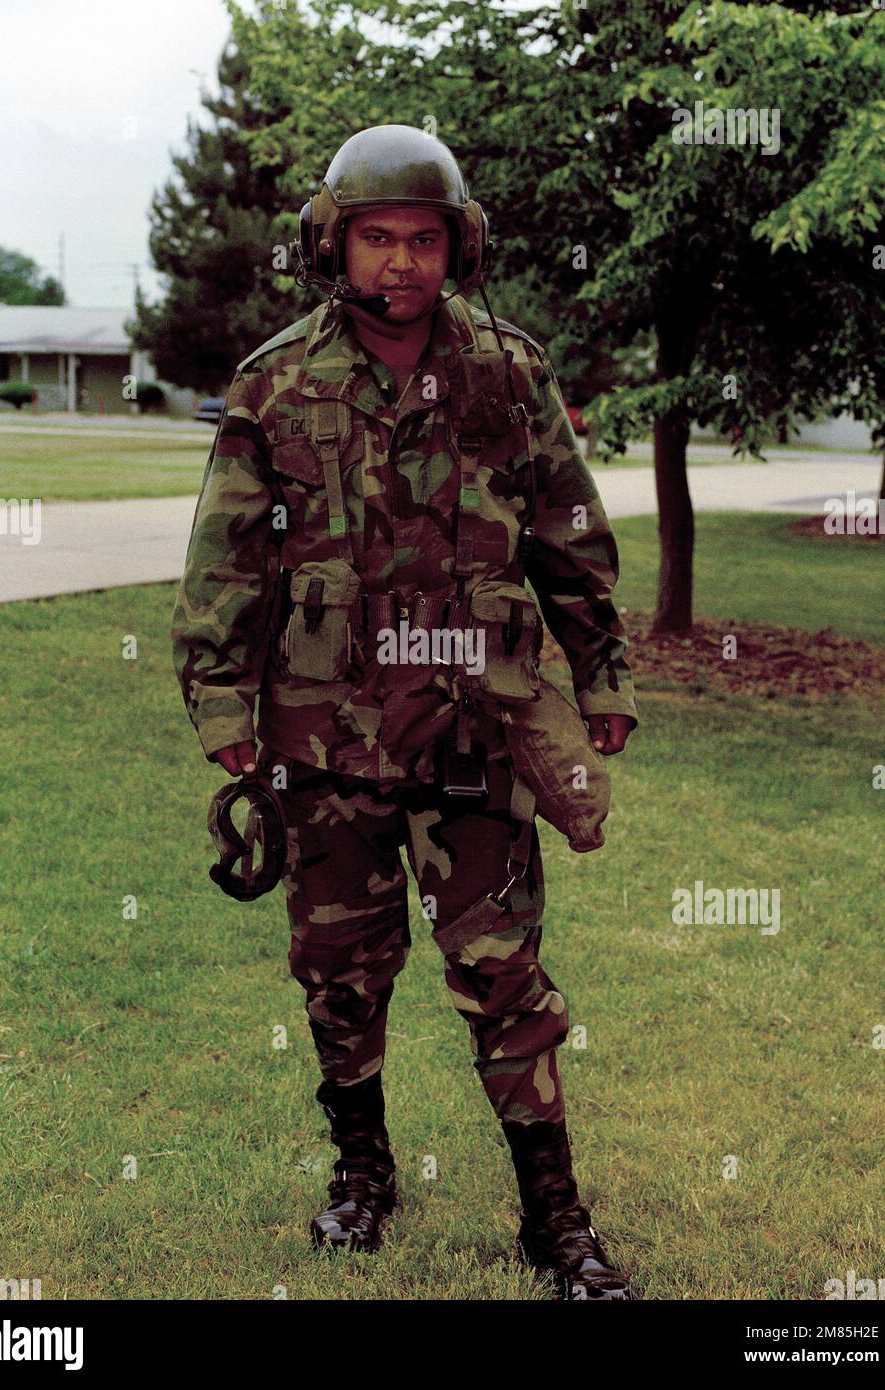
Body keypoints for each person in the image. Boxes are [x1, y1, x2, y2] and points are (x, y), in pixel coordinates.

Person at [172, 124, 639, 1300]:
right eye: (377, 238)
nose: (400, 263)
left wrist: (602, 676)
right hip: (323, 740)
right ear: (336, 243)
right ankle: (362, 1175)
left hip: (474, 728)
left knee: (505, 977)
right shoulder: (274, 381)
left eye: (422, 240)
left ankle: (556, 1222)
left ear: (456, 245)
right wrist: (222, 699)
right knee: (339, 972)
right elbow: (225, 560)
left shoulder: (509, 372)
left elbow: (570, 537)